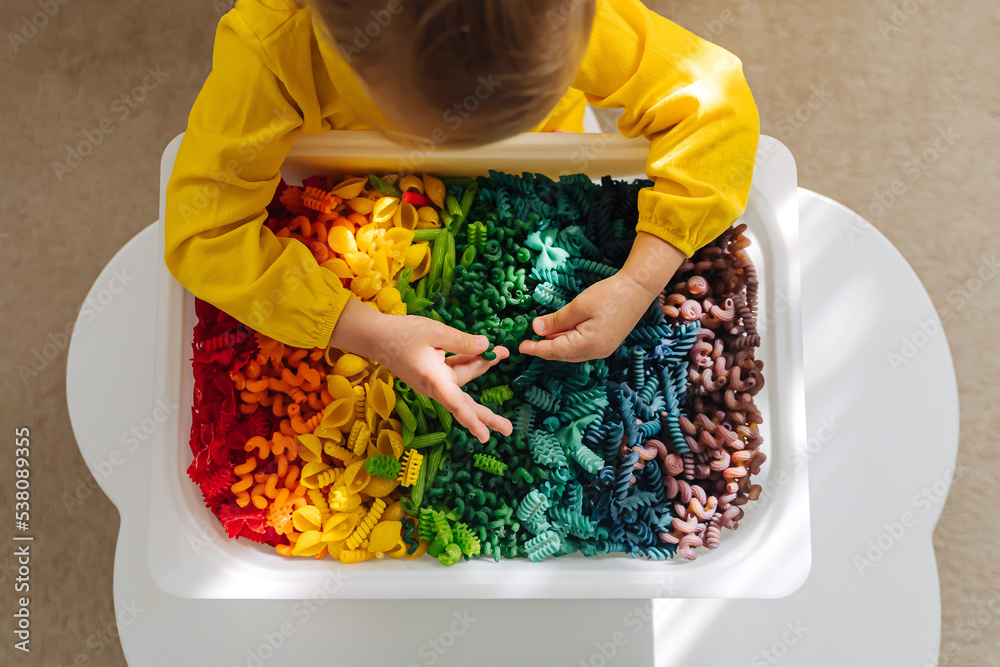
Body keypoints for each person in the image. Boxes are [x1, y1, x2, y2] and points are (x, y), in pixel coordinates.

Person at [163, 0, 760, 443]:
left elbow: (717, 102)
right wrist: (367, 331)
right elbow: (202, 233)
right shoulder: (273, 54)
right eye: (426, 130)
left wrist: (639, 280)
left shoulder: (559, 14)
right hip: (355, 179)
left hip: (548, 165)